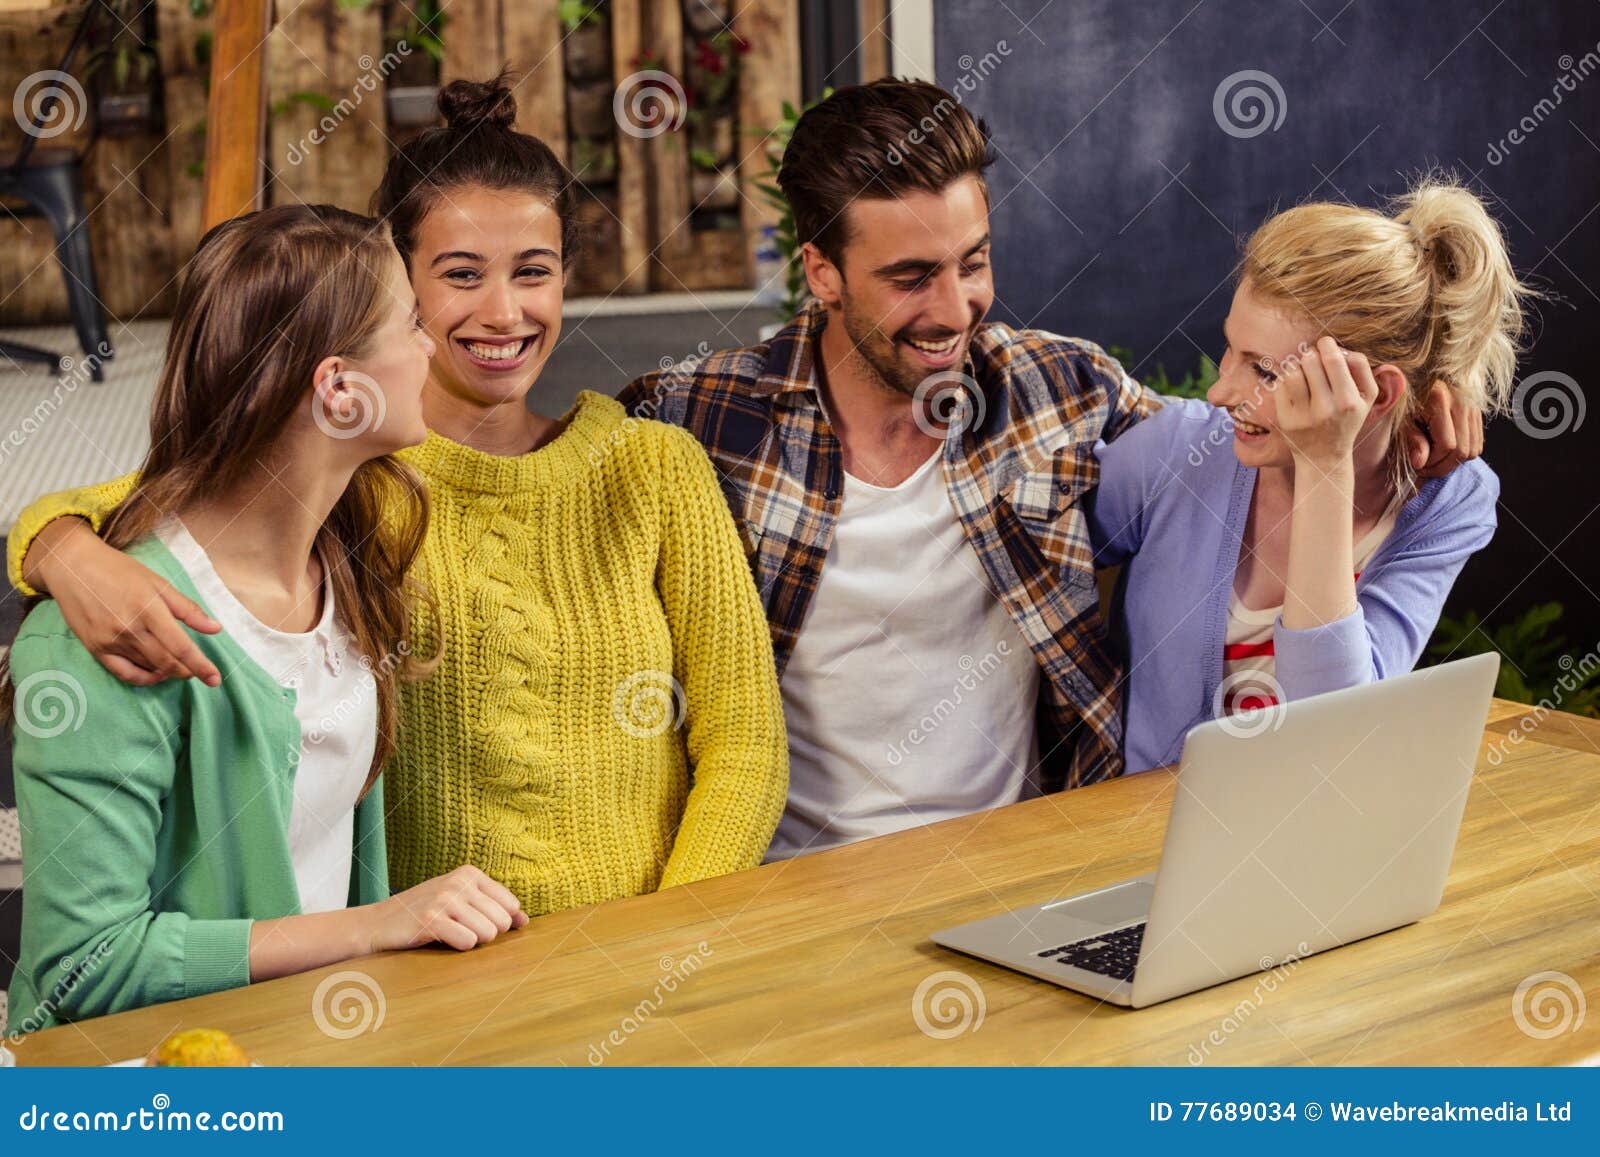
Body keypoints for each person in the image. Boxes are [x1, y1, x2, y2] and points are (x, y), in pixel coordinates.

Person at [617, 79, 1480, 859]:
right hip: (786, 885)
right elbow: (539, 497)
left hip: (1021, 867)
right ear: (822, 273)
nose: (955, 310)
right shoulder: (700, 417)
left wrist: (1398, 433)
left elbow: (1233, 441)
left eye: (974, 262)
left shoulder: (1059, 391)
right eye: (911, 277)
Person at [5, 74, 788, 917]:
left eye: (534, 272)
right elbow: (105, 505)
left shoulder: (655, 468)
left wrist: (665, 941)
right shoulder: (350, 473)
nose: (504, 311)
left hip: (643, 960)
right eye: (460, 275)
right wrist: (65, 553)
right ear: (399, 286)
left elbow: (744, 742)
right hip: (419, 964)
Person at [4, 205, 527, 1031]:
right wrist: (370, 929)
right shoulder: (105, 635)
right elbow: (81, 969)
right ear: (337, 388)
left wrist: (54, 537)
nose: (430, 347)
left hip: (316, 1047)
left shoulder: (349, 564)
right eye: (408, 323)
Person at [1087, 180, 1530, 772]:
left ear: (1377, 395)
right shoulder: (1178, 452)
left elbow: (1334, 727)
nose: (1221, 390)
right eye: (1230, 350)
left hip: (1309, 834)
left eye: (1263, 371)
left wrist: (1326, 465)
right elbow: (1019, 550)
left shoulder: (1449, 502)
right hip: (1134, 835)